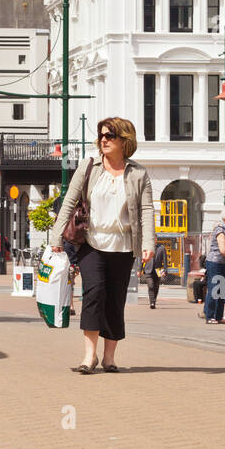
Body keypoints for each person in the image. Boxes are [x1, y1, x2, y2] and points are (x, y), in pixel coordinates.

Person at [52, 116, 155, 374]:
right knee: (93, 294)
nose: (104, 140)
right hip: (92, 242)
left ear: (124, 141)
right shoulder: (89, 167)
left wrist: (149, 242)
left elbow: (146, 209)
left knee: (115, 299)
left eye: (110, 136)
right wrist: (55, 238)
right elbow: (68, 202)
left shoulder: (138, 173)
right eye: (102, 136)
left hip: (123, 246)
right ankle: (89, 357)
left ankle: (109, 357)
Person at [204, 209, 225, 325]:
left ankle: (218, 316)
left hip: (223, 264)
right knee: (214, 290)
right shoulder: (220, 230)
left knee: (221, 291)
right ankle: (209, 316)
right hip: (215, 263)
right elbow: (223, 250)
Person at [145, 240, 168, 309]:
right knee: (151, 285)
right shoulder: (146, 247)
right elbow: (142, 259)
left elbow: (165, 260)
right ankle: (152, 302)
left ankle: (153, 301)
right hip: (148, 269)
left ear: (156, 239)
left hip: (158, 270)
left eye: (154, 238)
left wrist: (165, 270)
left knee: (156, 286)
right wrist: (138, 270)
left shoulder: (162, 248)